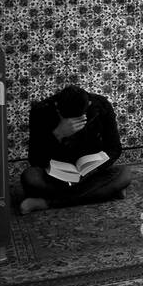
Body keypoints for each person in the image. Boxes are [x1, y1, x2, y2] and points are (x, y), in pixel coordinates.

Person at [20, 85, 132, 214]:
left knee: (124, 174)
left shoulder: (102, 106)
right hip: (57, 175)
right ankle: (103, 192)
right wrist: (58, 134)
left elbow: (114, 148)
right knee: (30, 177)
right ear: (57, 107)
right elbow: (35, 158)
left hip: (90, 173)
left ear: (89, 105)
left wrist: (92, 169)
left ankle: (47, 202)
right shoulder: (41, 111)